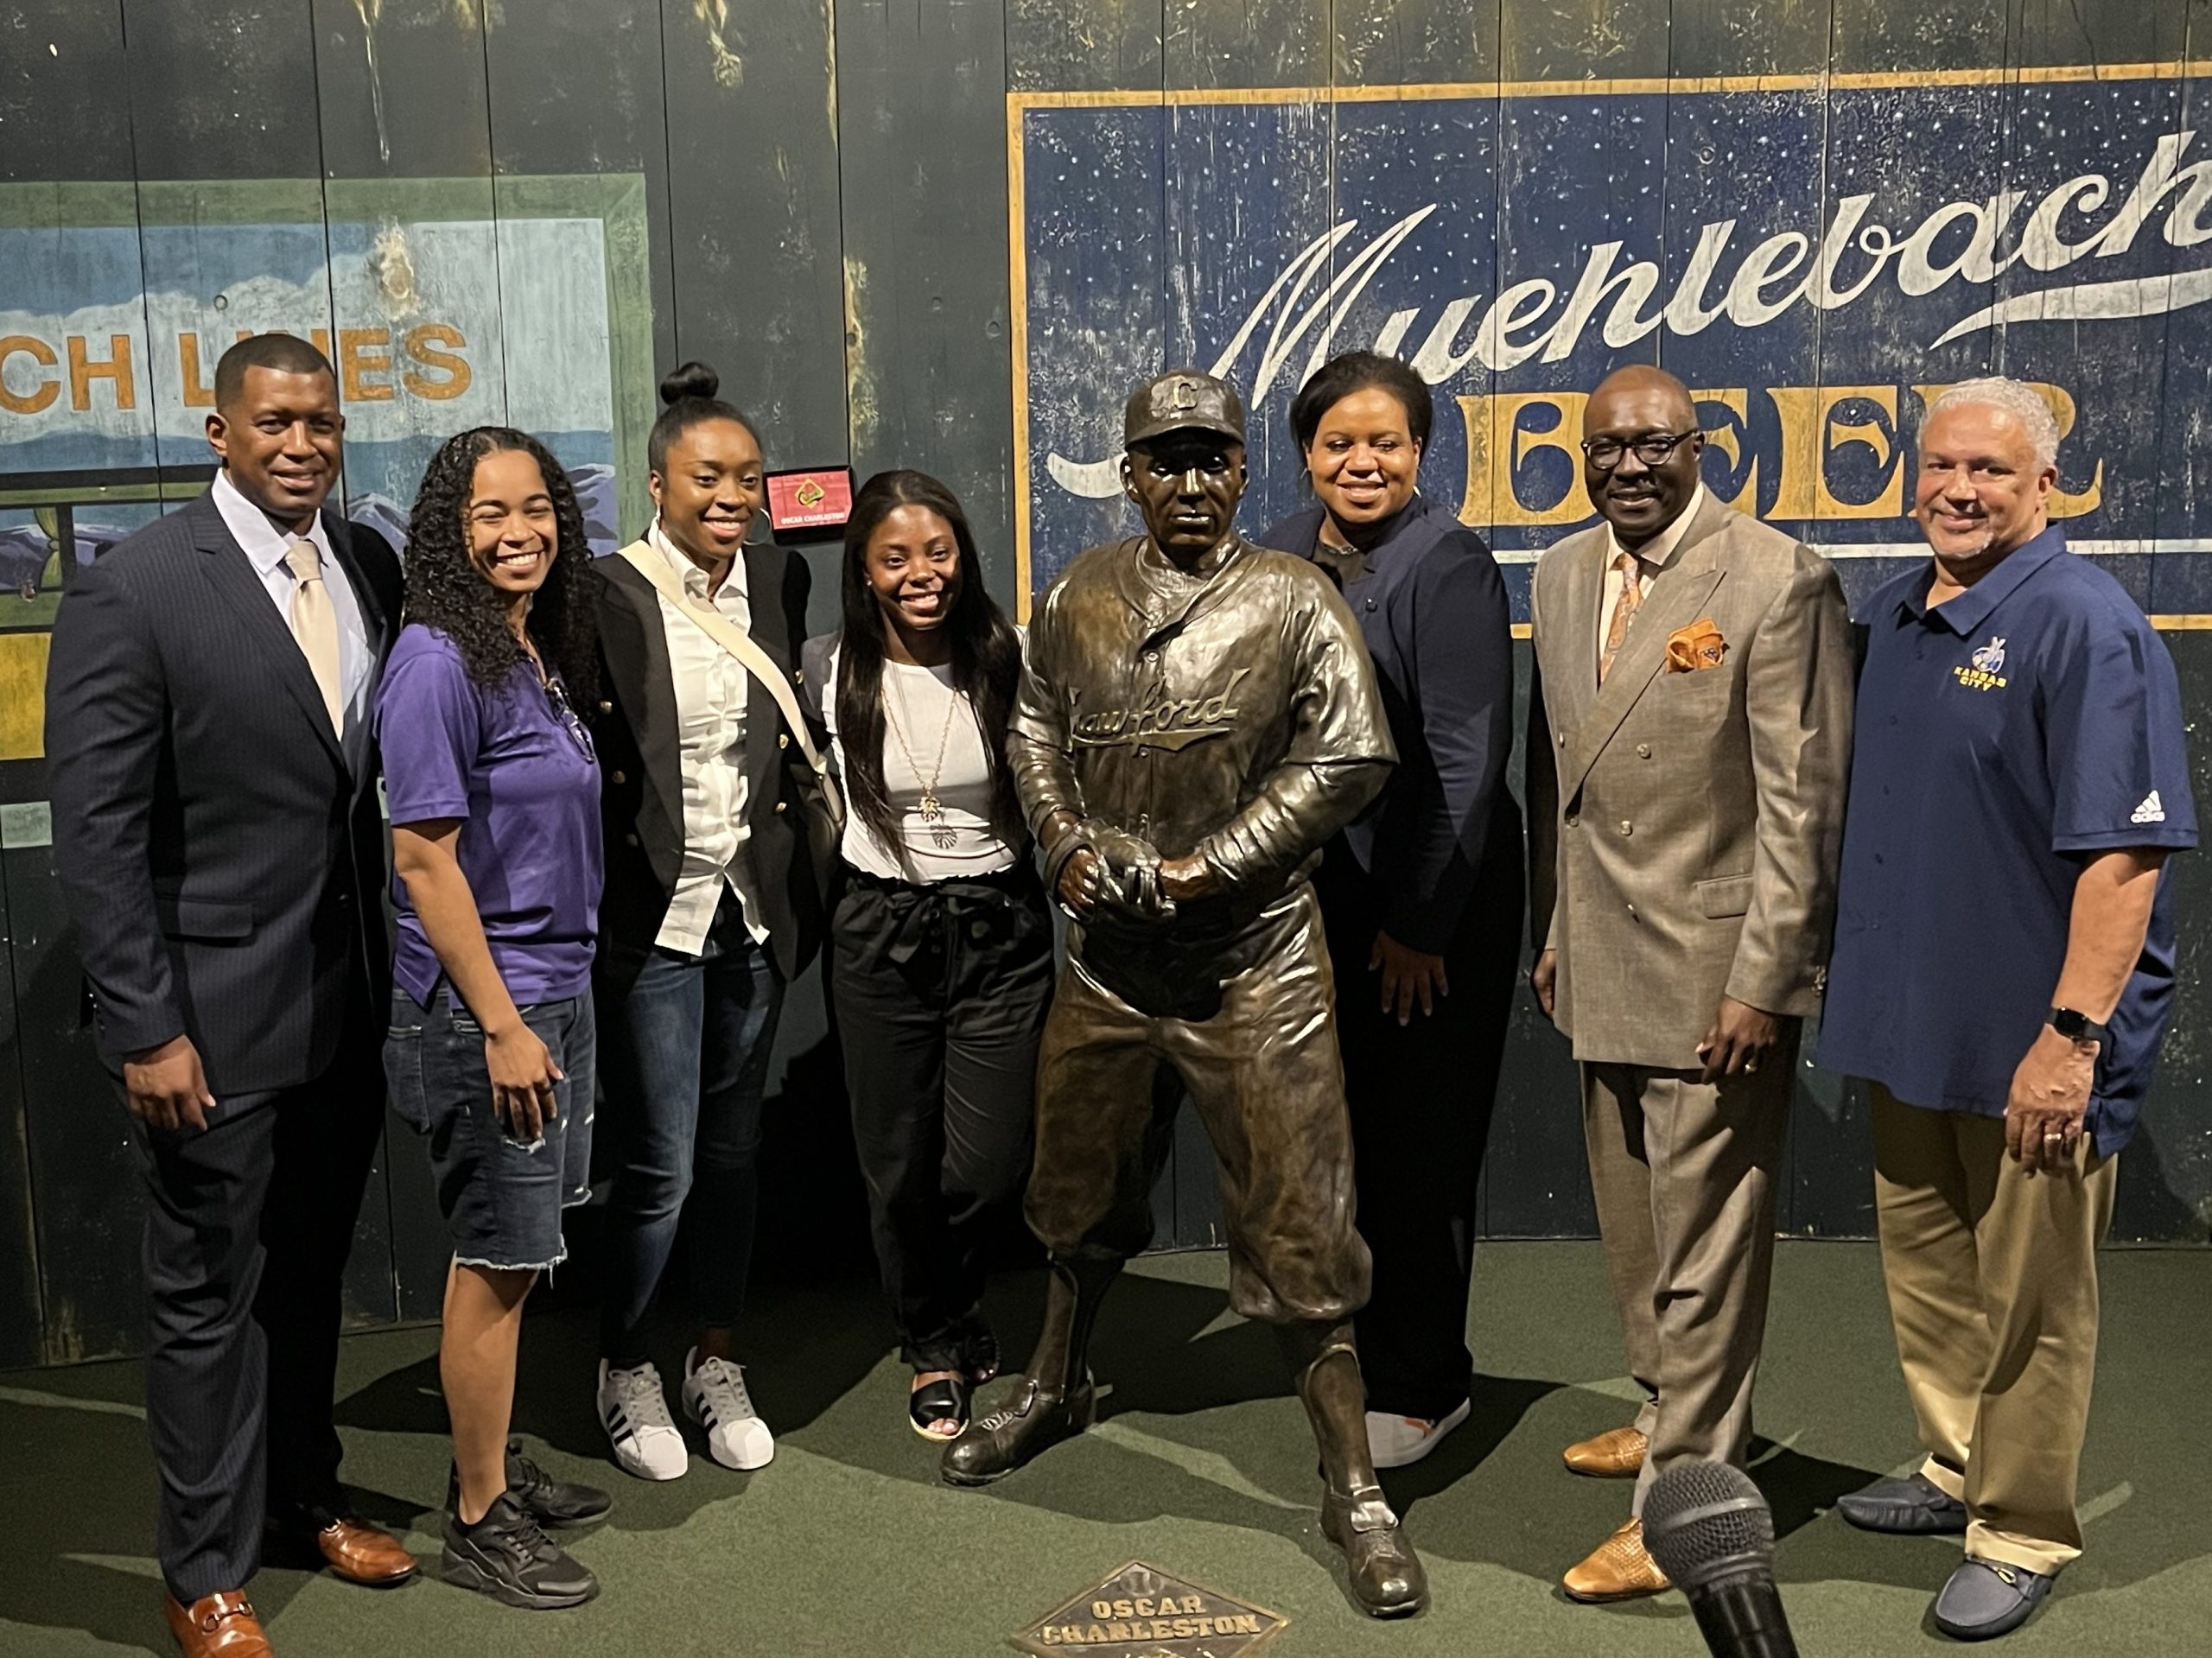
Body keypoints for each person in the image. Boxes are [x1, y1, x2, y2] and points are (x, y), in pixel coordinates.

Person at [941, 370, 1425, 1617]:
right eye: (1168, 459)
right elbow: (1036, 725)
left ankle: (1353, 1477)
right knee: (1072, 1186)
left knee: (1306, 1226)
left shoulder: (1293, 595)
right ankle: (1056, 1377)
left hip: (1252, 960)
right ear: (1131, 470)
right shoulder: (1080, 592)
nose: (1193, 482)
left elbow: (1353, 750)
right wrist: (1061, 841)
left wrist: (1216, 861)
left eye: (1215, 459)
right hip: (1108, 958)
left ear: (1244, 471)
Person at [45, 334, 412, 1657]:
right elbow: (93, 827)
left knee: (307, 1276)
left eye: (321, 420)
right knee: (204, 1300)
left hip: (338, 1008)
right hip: (204, 1023)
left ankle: (300, 1500)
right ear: (219, 431)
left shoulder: (368, 563)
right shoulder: (134, 588)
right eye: (274, 422)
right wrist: (144, 1022)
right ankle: (202, 1571)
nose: (303, 442)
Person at [1820, 378, 2196, 1641]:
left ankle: (2023, 1523)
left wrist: (2072, 1039)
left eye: (1990, 469)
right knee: (1931, 1270)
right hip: (1909, 1023)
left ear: (2046, 486)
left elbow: (2124, 863)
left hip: (2036, 1044)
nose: (1959, 490)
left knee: (2033, 1295)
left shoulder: (2085, 625)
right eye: (1940, 466)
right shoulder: (1896, 613)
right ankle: (1952, 1463)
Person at [1524, 364, 1853, 1602]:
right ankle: (1670, 1405)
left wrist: (1764, 982)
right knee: (1638, 1224)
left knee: (1708, 1240)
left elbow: (1800, 805)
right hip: (1600, 956)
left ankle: (1688, 1495)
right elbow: (1565, 782)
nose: (1630, 465)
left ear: (1699, 445)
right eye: (1608, 445)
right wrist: (1557, 923)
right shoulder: (1559, 574)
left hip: (1716, 971)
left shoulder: (1775, 574)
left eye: (1655, 443)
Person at [1261, 350, 1522, 1471]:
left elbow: (1468, 759)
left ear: (1421, 451)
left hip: (1431, 905)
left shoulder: (1446, 561)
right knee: (1346, 1142)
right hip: (1320, 903)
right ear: (1308, 451)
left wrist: (1420, 922)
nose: (1362, 460)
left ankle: (1426, 1381)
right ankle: (1364, 1346)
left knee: (1421, 1147)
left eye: (1388, 441)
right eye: (1339, 441)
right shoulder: (1273, 552)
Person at [378, 428, 614, 1609]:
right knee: (499, 1258)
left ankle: (493, 1465)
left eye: (536, 506)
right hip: (493, 1009)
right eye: (488, 513)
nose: (518, 528)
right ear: (446, 529)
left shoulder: (524, 647)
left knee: (521, 1254)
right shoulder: (434, 660)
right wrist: (502, 1023)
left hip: (549, 990)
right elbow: (424, 861)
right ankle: (477, 1515)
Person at [589, 362, 825, 1480]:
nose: (730, 494)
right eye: (705, 476)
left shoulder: (778, 581)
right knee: (658, 1164)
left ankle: (713, 1353)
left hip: (752, 915)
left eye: (747, 476)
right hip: (650, 922)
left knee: (734, 1154)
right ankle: (625, 1359)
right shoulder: (605, 590)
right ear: (656, 483)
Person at [803, 469, 1051, 1441]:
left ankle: (951, 1300)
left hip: (999, 925)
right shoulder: (826, 667)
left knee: (986, 1167)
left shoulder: (1008, 654)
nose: (921, 573)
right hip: (880, 927)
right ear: (863, 569)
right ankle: (934, 1345)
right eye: (896, 556)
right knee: (895, 1163)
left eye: (937, 551)